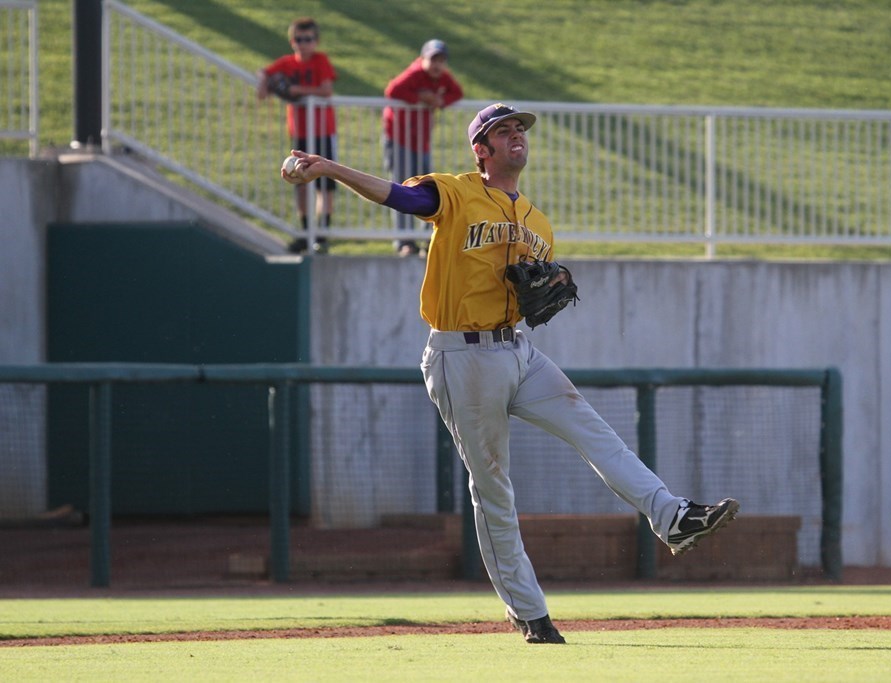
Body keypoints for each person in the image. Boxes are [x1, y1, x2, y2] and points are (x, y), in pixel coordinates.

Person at [282, 103, 740, 645]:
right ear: (482, 149)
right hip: (462, 356)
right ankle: (529, 612)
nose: (517, 134)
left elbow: (533, 293)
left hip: (517, 350)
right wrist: (330, 168)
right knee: (494, 487)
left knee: (595, 430)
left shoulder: (538, 221)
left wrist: (552, 284)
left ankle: (673, 517)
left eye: (520, 128)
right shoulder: (455, 193)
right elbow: (400, 197)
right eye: (503, 130)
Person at [258, 17, 337, 254]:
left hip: (323, 130)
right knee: (300, 182)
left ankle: (322, 234)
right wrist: (263, 82)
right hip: (300, 131)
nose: (304, 44)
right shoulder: (287, 63)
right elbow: (265, 72)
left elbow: (326, 90)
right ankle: (305, 233)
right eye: (299, 39)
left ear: (316, 41)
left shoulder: (320, 60)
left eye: (308, 39)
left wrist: (296, 90)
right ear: (293, 41)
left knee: (325, 184)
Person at [382, 39, 463, 256]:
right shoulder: (415, 73)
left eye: (441, 60)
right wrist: (421, 98)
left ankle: (428, 239)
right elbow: (392, 90)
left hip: (421, 141)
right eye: (433, 59)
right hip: (399, 138)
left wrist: (440, 101)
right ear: (423, 58)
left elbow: (457, 92)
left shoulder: (443, 77)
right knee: (401, 187)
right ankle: (404, 242)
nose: (437, 65)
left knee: (427, 188)